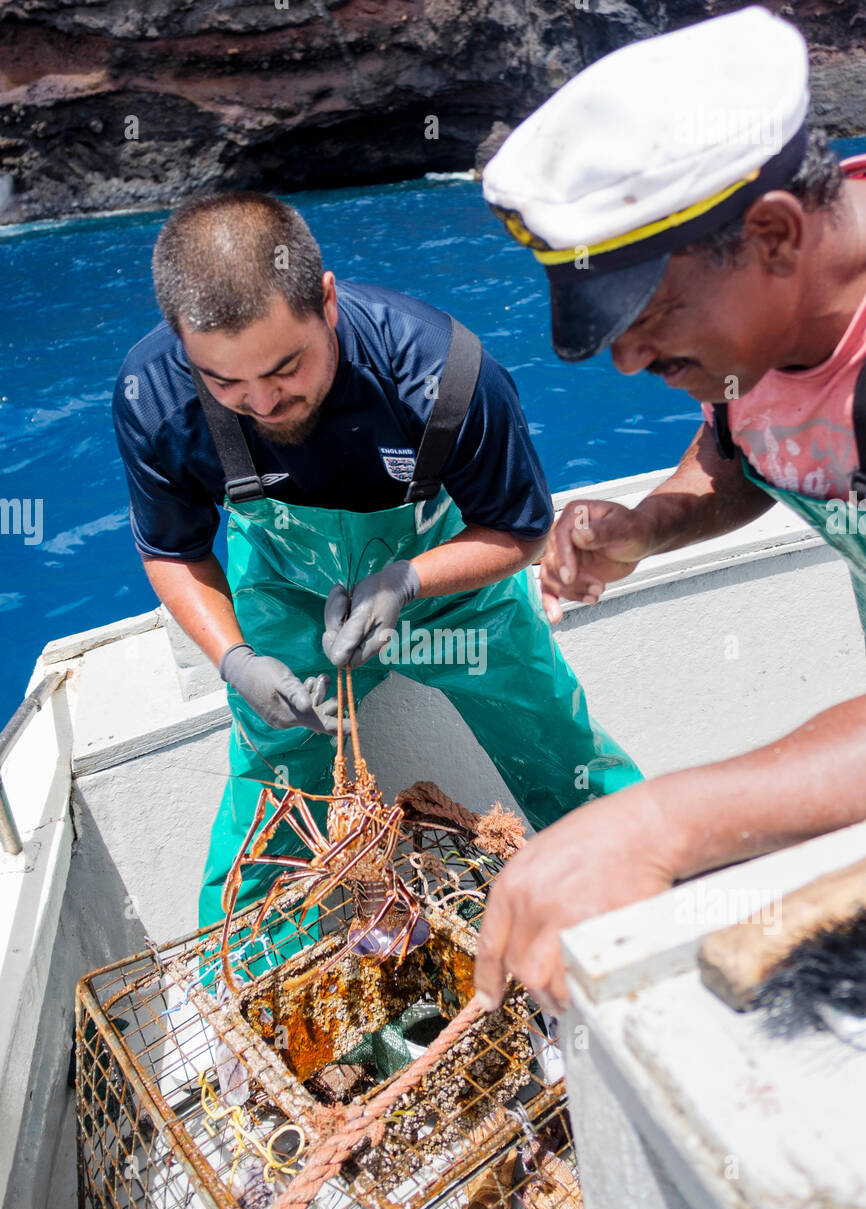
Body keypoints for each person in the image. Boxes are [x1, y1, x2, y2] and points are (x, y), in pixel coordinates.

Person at [113, 192, 641, 955]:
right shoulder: (152, 398)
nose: (261, 402)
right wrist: (237, 662)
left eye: (286, 367)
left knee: (552, 734)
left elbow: (522, 531)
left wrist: (406, 583)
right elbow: (172, 551)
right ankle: (247, 982)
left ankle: (641, 896)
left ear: (325, 301)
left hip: (446, 587)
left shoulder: (445, 373)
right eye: (224, 383)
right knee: (273, 774)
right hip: (290, 597)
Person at [473, 5, 866, 1015]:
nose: (625, 357)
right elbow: (744, 443)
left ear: (774, 233)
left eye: (647, 316)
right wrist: (649, 524)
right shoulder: (760, 322)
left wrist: (653, 823)